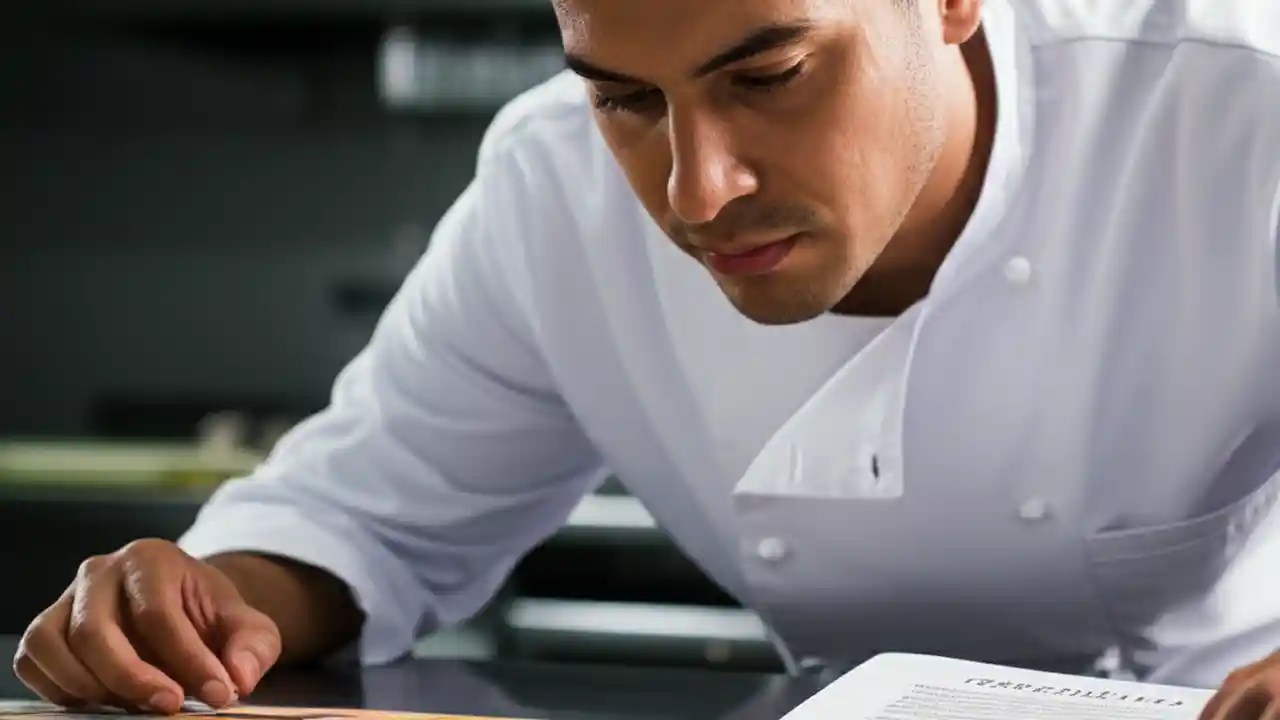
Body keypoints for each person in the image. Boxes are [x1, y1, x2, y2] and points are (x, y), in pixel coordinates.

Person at [13, 0, 1280, 717]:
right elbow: (363, 521)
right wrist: (194, 611)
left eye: (770, 74)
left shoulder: (1239, 110)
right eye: (624, 99)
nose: (695, 188)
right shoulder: (549, 193)